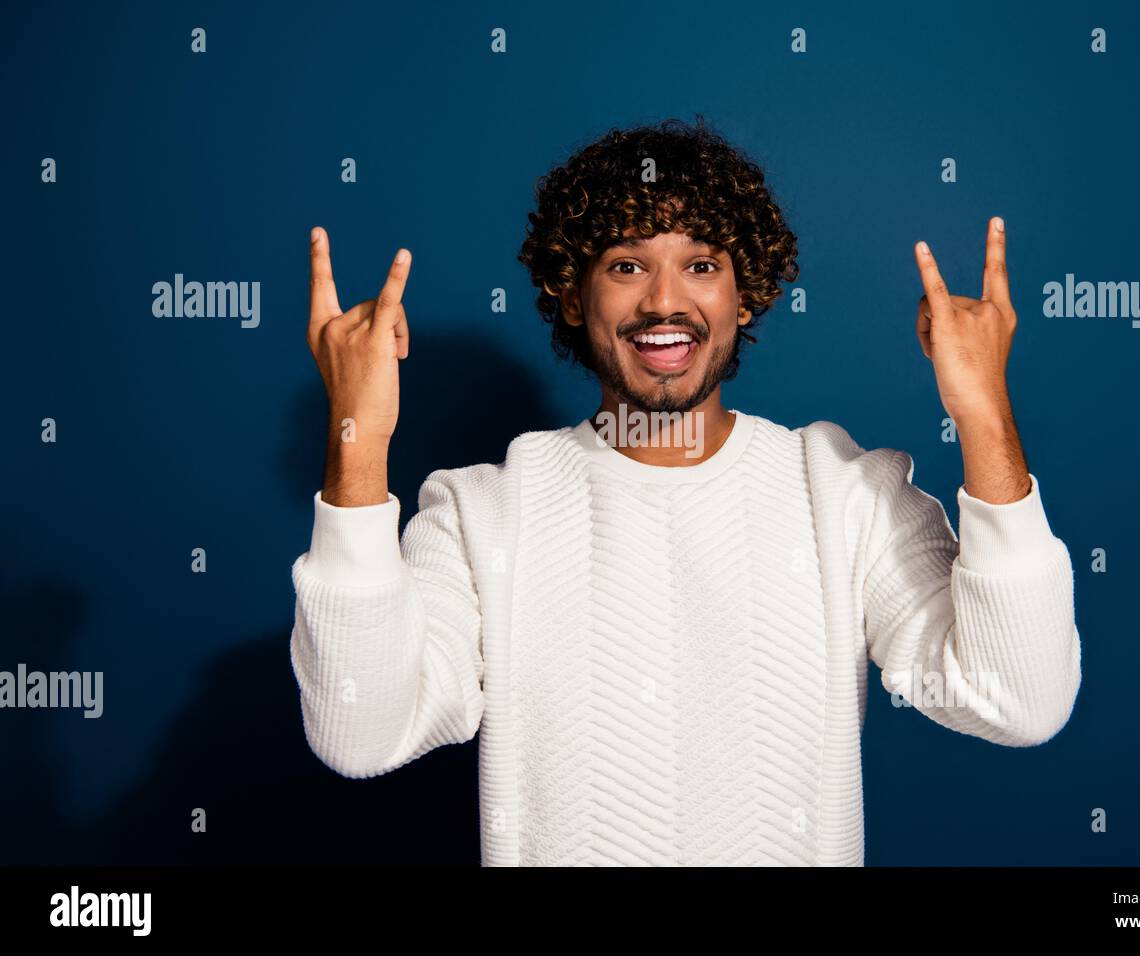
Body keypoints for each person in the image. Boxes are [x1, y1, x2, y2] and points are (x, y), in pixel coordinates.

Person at [289, 118, 1082, 866]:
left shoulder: (844, 494)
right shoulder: (480, 514)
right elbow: (360, 732)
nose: (665, 301)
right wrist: (358, 434)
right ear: (574, 295)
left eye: (701, 265)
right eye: (627, 264)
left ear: (743, 296)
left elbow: (1018, 699)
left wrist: (983, 416)